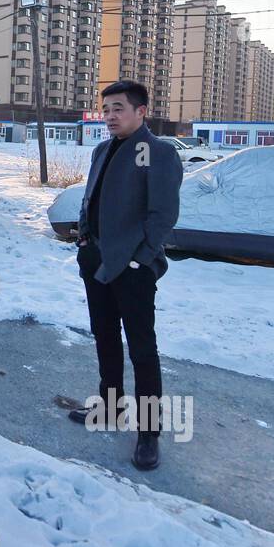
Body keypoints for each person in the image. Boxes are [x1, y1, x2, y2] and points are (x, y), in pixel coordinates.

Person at [67, 80, 182, 470]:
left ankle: (149, 434)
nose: (110, 115)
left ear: (140, 111)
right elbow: (91, 197)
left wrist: (141, 259)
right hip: (96, 262)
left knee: (142, 350)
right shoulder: (101, 149)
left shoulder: (158, 153)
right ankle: (111, 407)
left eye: (119, 108)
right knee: (104, 338)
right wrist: (84, 238)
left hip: (133, 269)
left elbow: (163, 215)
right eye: (106, 109)